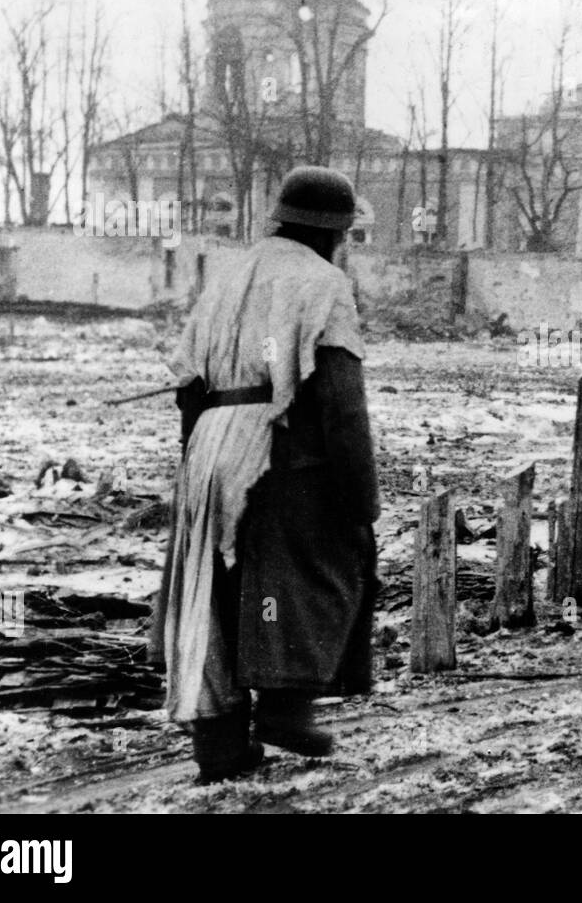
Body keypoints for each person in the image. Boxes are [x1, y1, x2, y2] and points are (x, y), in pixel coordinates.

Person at [149, 166, 381, 782]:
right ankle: (285, 706)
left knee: (215, 593)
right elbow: (339, 398)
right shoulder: (323, 284)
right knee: (310, 571)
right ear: (334, 234)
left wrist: (198, 470)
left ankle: (219, 748)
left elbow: (188, 387)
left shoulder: (227, 278)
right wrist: (361, 500)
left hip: (209, 448)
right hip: (281, 453)